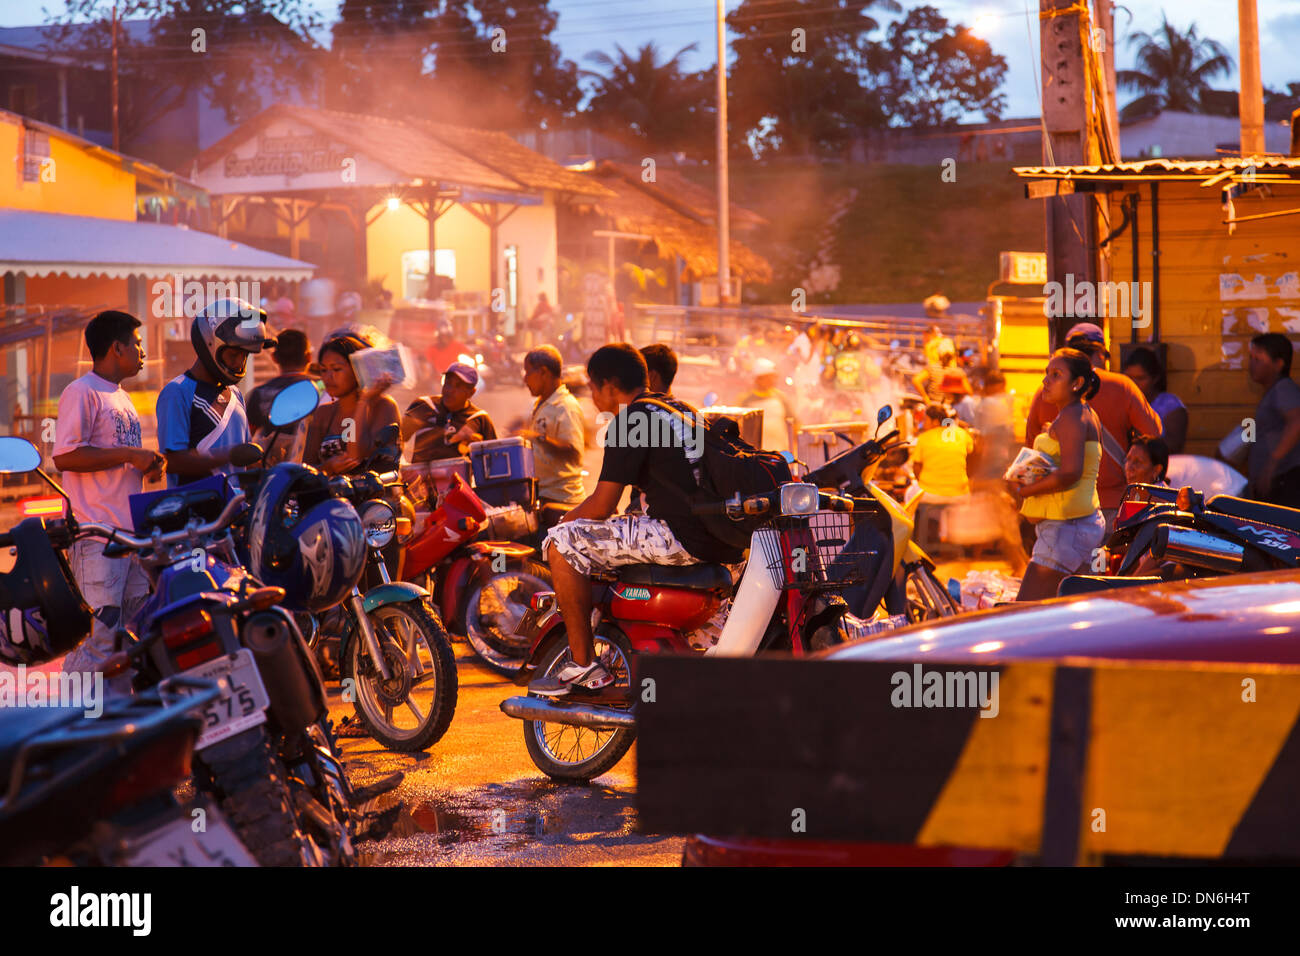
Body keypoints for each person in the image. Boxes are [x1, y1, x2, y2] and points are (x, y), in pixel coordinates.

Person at [529, 344, 736, 697]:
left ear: (610, 385)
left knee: (561, 544)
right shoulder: (681, 409)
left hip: (676, 536)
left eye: (593, 388)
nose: (592, 398)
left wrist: (562, 523)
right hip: (715, 537)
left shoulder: (631, 420)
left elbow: (602, 504)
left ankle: (583, 665)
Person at [54, 310, 165, 686]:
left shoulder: (121, 396)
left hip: (128, 539)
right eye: (136, 343)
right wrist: (130, 455)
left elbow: (116, 460)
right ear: (116, 348)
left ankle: (119, 726)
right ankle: (70, 730)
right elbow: (66, 456)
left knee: (126, 642)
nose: (142, 350)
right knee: (96, 642)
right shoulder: (81, 391)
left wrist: (146, 465)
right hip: (97, 539)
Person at [1024, 322, 1161, 532]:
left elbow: (1031, 452)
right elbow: (1154, 433)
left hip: (1057, 509)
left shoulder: (1044, 394)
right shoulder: (1122, 386)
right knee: (1105, 564)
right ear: (1099, 353)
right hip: (1110, 505)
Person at [1010, 349, 1106, 601]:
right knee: (1067, 608)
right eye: (1046, 374)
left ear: (1077, 383)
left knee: (1025, 609)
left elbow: (1070, 472)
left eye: (1056, 375)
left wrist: (1026, 490)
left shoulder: (1073, 416)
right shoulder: (1079, 414)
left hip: (1066, 527)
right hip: (1078, 523)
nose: (1046, 381)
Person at [157, 299, 273, 488]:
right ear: (210, 343)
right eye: (234, 355)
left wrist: (264, 453)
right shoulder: (177, 392)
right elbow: (173, 461)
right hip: (197, 513)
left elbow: (246, 463)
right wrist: (231, 454)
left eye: (244, 356)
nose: (239, 363)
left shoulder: (236, 395)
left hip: (236, 509)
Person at [302, 332, 401, 476]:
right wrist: (327, 468)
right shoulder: (323, 413)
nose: (328, 377)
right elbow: (306, 469)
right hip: (330, 497)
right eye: (323, 370)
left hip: (374, 496)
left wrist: (363, 402)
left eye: (336, 369)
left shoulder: (384, 406)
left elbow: (355, 456)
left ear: (358, 370)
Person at [520, 346, 586, 521]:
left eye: (527, 372)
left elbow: (573, 452)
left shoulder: (565, 406)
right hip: (541, 495)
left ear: (543, 372)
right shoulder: (542, 403)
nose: (525, 379)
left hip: (560, 499)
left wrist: (539, 438)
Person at [1245, 332, 1300, 507]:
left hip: (1284, 482)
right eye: (1250, 358)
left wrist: (1271, 465)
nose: (1251, 365)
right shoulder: (1270, 393)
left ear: (1278, 364)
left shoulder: (1283, 388)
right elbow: (1259, 432)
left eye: (1258, 360)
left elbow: (1297, 421)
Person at [403, 363, 498, 463]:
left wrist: (478, 447)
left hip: (462, 477)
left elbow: (494, 460)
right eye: (448, 383)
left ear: (471, 392)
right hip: (422, 477)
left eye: (458, 386)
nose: (450, 390)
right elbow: (396, 438)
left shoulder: (480, 418)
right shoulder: (424, 406)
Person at [247, 328, 315, 464]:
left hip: (272, 473)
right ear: (309, 357)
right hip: (314, 469)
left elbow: (248, 438)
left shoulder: (258, 393)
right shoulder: (323, 388)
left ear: (274, 358)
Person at [1122, 347, 1187, 453]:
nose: (1133, 384)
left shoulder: (1170, 405)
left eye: (1140, 378)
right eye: (1129, 378)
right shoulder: (1121, 401)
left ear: (1155, 378)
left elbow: (1173, 446)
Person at [736, 358, 796, 453]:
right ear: (758, 379)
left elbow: (794, 423)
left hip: (781, 451)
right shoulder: (746, 401)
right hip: (757, 454)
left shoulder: (781, 397)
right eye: (768, 377)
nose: (772, 380)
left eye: (773, 377)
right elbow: (738, 428)